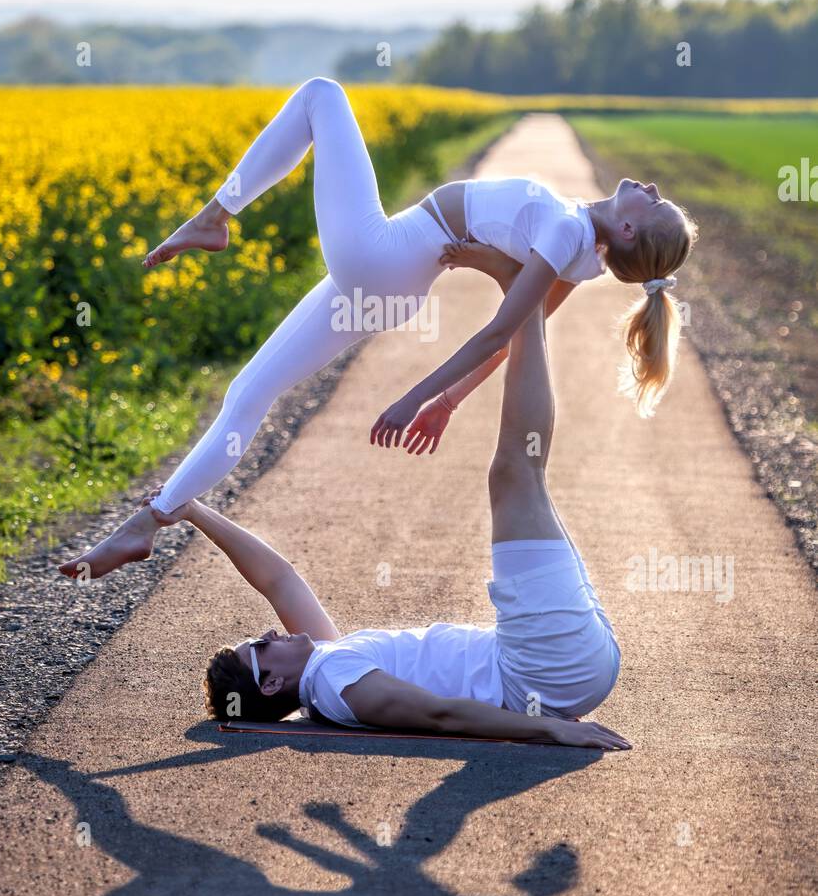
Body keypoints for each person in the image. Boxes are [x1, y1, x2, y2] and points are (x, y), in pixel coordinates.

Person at [59, 77, 696, 580]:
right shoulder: (582, 252)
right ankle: (150, 519)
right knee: (248, 395)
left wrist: (418, 396)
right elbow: (517, 329)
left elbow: (502, 332)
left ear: (632, 229)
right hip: (388, 284)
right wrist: (448, 400)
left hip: (382, 255)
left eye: (656, 199)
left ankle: (214, 216)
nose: (652, 184)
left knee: (321, 95)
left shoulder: (566, 237)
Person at [181, 261, 628, 750]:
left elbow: (278, 579)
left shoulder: (327, 665)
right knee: (514, 475)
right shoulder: (335, 681)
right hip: (540, 670)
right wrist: (549, 728)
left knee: (524, 479)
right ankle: (526, 287)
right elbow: (440, 716)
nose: (270, 632)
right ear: (270, 684)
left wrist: (192, 509)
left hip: (553, 664)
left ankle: (530, 292)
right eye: (261, 647)